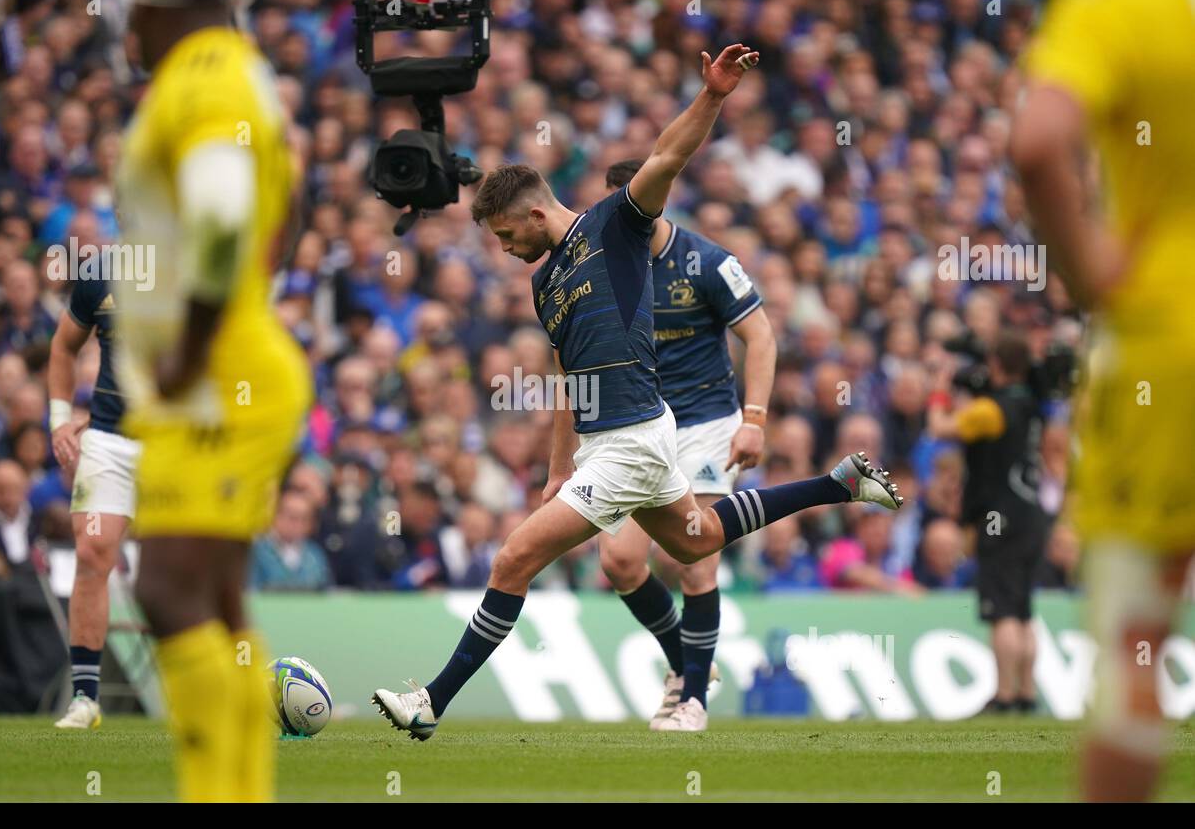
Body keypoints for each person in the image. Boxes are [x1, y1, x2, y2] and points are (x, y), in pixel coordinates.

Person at [373, 45, 901, 738]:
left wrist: (711, 96)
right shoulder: (543, 282)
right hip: (613, 444)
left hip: (635, 440)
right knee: (696, 541)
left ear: (534, 215)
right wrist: (561, 467)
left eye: (505, 234)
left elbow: (665, 157)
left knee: (513, 558)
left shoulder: (615, 226)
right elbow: (569, 376)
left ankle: (431, 703)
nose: (503, 248)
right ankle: (838, 484)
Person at [113, 0, 311, 801]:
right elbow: (288, 195)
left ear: (156, 7)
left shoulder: (200, 79)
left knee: (166, 589)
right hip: (238, 366)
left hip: (212, 388)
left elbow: (227, 217)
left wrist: (192, 352)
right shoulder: (238, 70)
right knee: (222, 604)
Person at [1013, 0, 1195, 800]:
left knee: (1136, 646)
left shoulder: (1124, 5)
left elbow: (1039, 141)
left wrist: (1089, 274)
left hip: (1168, 335)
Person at [596, 158, 777, 730]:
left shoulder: (709, 262)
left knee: (694, 553)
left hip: (707, 425)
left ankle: (692, 701)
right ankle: (687, 665)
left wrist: (755, 419)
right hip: (646, 429)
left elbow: (761, 336)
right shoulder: (604, 267)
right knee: (619, 560)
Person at [928, 332, 1046, 713]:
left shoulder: (993, 410)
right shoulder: (1031, 405)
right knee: (1024, 610)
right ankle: (1026, 692)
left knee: (1003, 611)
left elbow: (940, 428)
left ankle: (1005, 694)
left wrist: (940, 391)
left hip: (1001, 517)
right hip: (1031, 513)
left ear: (996, 365)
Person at [48, 266, 140, 729]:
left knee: (194, 564)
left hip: (178, 440)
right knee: (91, 552)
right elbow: (64, 345)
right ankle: (85, 697)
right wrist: (60, 419)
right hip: (108, 439)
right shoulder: (100, 274)